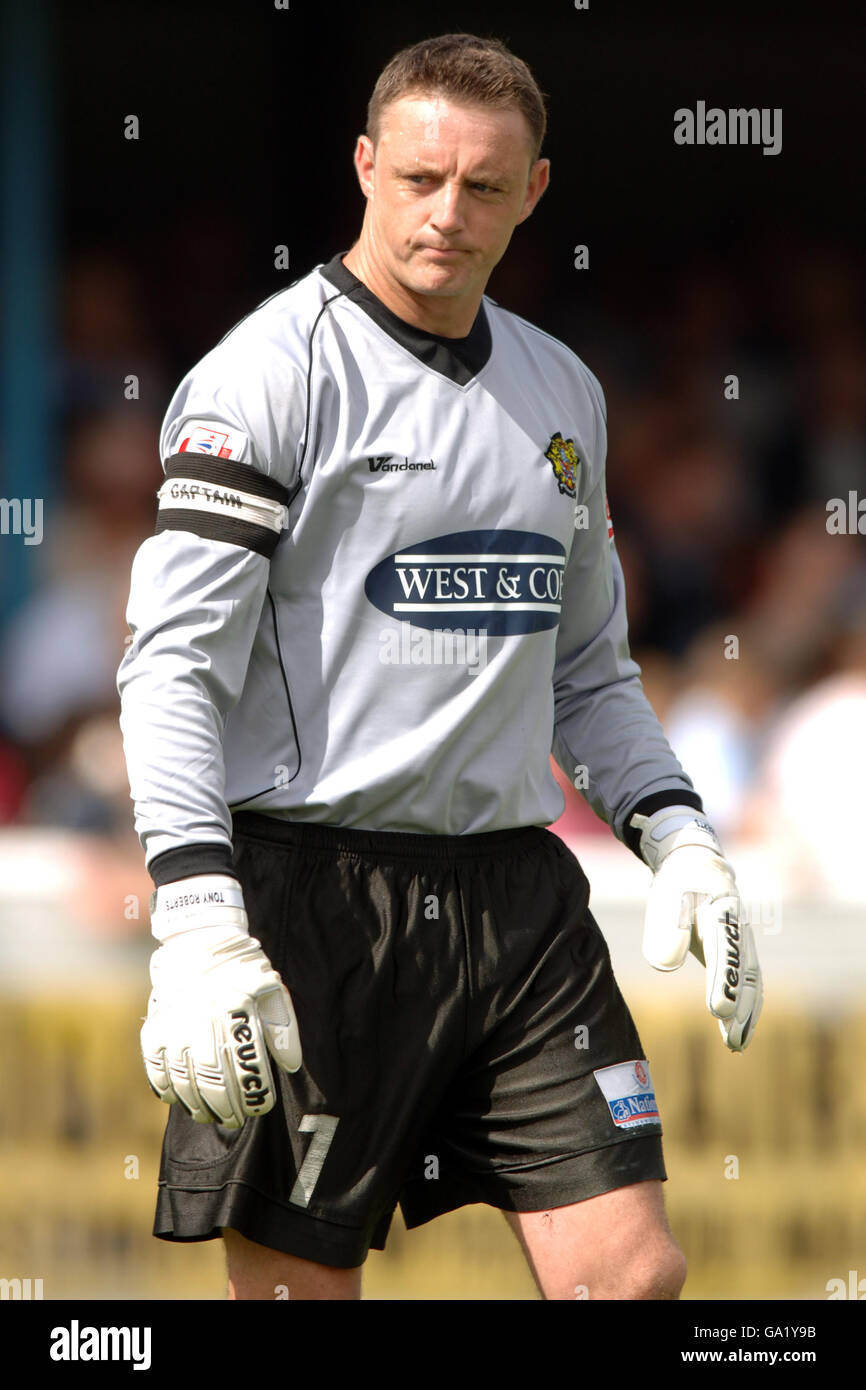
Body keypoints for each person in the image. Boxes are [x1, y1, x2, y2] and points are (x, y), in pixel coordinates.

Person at [117, 32, 762, 1301]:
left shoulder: (563, 389)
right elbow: (170, 666)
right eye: (418, 178)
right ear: (364, 167)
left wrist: (680, 835)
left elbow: (586, 667)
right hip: (311, 896)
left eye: (481, 187)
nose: (445, 214)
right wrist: (195, 918)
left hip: (516, 903)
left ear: (532, 194)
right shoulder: (264, 377)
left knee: (629, 1278)